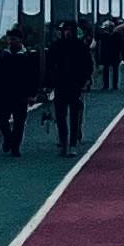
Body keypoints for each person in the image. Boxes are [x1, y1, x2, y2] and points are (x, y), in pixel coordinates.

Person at [0, 23, 36, 156]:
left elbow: (33, 76)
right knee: (1, 119)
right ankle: (8, 138)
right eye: (10, 39)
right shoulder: (2, 55)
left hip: (21, 94)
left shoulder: (27, 56)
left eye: (14, 39)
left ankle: (15, 147)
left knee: (19, 122)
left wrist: (32, 94)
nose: (11, 42)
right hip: (3, 93)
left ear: (20, 40)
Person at [47, 17, 89, 153]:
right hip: (60, 84)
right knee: (60, 116)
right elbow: (49, 66)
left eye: (70, 30)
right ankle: (64, 141)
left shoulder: (80, 46)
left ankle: (73, 144)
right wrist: (49, 82)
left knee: (74, 116)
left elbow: (87, 65)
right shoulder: (56, 46)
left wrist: (85, 80)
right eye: (65, 30)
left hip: (75, 85)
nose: (67, 32)